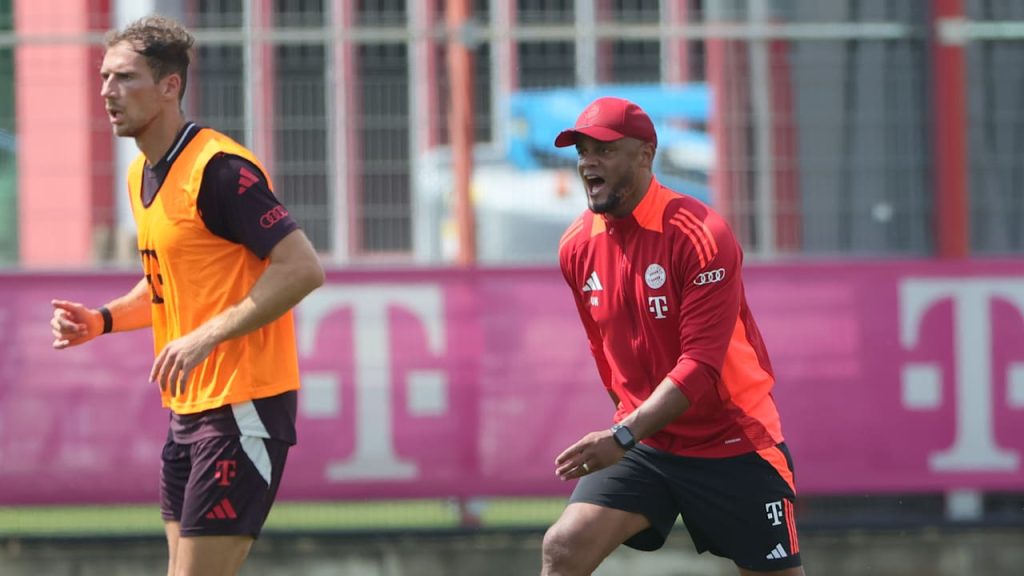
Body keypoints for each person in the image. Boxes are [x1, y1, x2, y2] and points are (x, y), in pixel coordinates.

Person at [49, 16, 324, 576]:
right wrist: (101, 321)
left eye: (124, 78)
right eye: (104, 77)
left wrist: (207, 335)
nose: (106, 91)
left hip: (243, 403)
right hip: (187, 411)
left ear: (170, 85)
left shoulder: (219, 171)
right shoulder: (140, 175)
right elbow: (164, 291)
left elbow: (301, 268)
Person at [542, 97, 805, 576]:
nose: (588, 163)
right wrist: (631, 426)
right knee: (564, 546)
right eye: (582, 151)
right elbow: (604, 352)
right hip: (648, 444)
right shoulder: (575, 246)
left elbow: (702, 364)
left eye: (604, 150)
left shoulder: (699, 233)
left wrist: (622, 435)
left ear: (645, 154)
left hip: (732, 441)